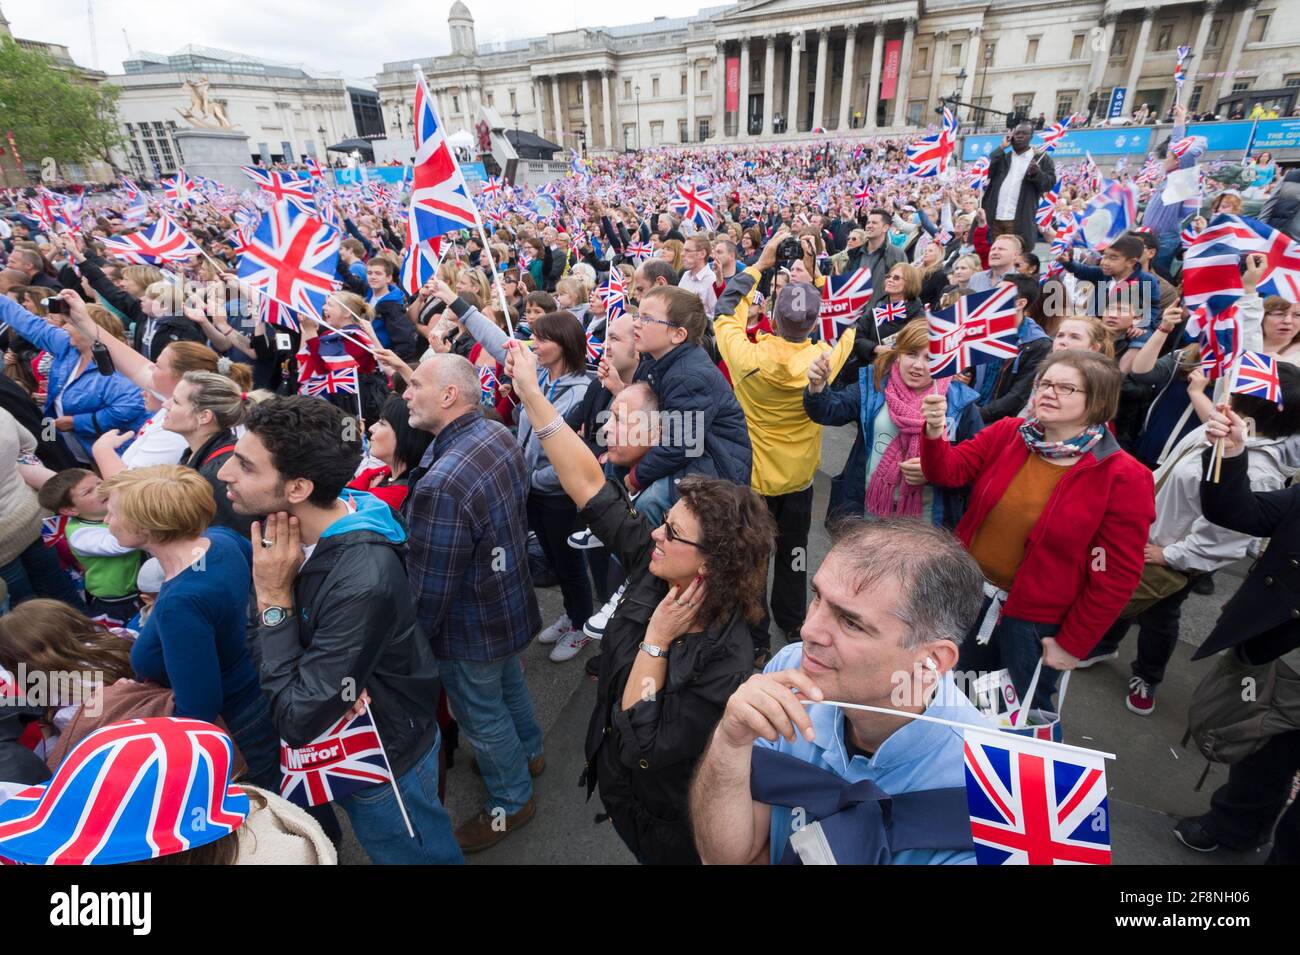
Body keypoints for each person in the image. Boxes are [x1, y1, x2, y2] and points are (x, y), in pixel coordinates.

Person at [504, 336, 775, 864]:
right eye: (663, 524)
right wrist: (533, 396)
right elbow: (586, 482)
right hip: (619, 796)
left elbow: (642, 747)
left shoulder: (730, 659)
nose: (655, 535)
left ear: (713, 562)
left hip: (668, 828)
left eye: (672, 533)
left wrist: (655, 640)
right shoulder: (657, 572)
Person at [215, 396, 461, 865]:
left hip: (384, 761)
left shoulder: (361, 578)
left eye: (246, 466)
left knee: (413, 854)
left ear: (298, 487)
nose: (225, 473)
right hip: (350, 749)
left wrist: (273, 601)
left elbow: (296, 716)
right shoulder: (296, 524)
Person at [690, 519, 989, 865]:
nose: (807, 630)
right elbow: (725, 856)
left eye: (850, 622)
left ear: (931, 661)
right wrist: (729, 744)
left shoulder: (986, 789)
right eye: (818, 597)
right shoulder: (791, 672)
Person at [920, 350, 1155, 710]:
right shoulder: (1009, 433)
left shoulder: (1125, 476)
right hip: (967, 596)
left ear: (1098, 400)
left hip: (1035, 626)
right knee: (948, 695)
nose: (1049, 392)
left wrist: (1073, 643)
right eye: (1045, 383)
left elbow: (1117, 575)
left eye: (1065, 387)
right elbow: (947, 472)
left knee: (1014, 719)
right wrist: (935, 434)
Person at [1087, 365, 1300, 714]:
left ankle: (1147, 676)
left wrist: (1172, 555)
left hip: (1171, 556)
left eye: (1240, 386)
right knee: (1122, 596)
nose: (1229, 388)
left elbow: (1227, 536)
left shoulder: (1258, 471)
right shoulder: (1221, 427)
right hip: (1144, 534)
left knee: (1159, 618)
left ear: (1254, 404)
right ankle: (1104, 644)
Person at [400, 353, 545, 852]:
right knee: (507, 686)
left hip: (468, 627)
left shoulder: (441, 483)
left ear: (448, 395)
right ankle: (530, 753)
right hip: (506, 604)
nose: (405, 393)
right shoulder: (498, 434)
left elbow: (430, 589)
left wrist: (413, 644)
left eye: (415, 384)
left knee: (482, 717)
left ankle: (512, 800)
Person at [713, 230, 857, 664]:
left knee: (753, 556)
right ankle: (793, 620)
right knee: (794, 551)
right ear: (813, 324)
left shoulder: (746, 355)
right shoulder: (827, 358)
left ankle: (756, 637)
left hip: (753, 477)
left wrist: (759, 264)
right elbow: (848, 321)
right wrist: (815, 277)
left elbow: (724, 312)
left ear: (773, 317)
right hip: (798, 479)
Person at [436, 279, 596, 659]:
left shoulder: (582, 392)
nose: (532, 346)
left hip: (557, 495)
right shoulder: (537, 374)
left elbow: (570, 455)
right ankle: (572, 617)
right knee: (546, 557)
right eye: (533, 340)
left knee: (569, 562)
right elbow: (498, 341)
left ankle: (580, 624)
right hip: (530, 490)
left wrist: (531, 478)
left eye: (541, 340)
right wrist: (456, 302)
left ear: (564, 345)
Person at [98, 464, 280, 788]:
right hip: (260, 693)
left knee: (276, 817)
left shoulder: (179, 604)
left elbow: (199, 709)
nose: (106, 520)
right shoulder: (220, 540)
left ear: (146, 526)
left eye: (112, 513)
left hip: (238, 726)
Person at [1172, 403, 1300, 862]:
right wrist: (1230, 454)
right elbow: (1235, 510)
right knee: (1260, 747)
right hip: (1280, 656)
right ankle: (1235, 828)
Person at [806, 318, 984, 527]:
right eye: (911, 354)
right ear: (898, 353)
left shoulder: (959, 405)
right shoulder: (876, 383)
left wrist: (936, 470)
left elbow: (974, 469)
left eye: (929, 358)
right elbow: (829, 411)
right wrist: (817, 387)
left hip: (924, 528)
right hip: (866, 516)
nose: (918, 365)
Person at [626, 285, 753, 495]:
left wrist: (637, 476)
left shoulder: (688, 376)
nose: (636, 324)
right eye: (637, 316)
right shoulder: (660, 361)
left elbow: (680, 444)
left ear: (678, 335)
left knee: (652, 499)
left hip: (718, 469)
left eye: (646, 319)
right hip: (697, 453)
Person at [0, 290, 148, 464]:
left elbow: (131, 406)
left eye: (69, 323)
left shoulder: (117, 364)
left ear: (88, 328)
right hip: (69, 442)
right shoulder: (67, 346)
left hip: (116, 453)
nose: (63, 328)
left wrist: (76, 422)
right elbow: (32, 326)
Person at [0, 407, 86, 609]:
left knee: (26, 609)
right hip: (31, 515)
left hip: (3, 540)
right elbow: (30, 443)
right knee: (60, 588)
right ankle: (90, 634)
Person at [36, 468, 143, 625]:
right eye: (88, 492)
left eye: (99, 482)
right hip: (118, 601)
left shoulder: (113, 510)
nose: (100, 489)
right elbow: (122, 544)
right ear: (70, 509)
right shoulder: (80, 534)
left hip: (138, 588)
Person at [165, 371, 258, 536]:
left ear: (204, 416)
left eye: (176, 402)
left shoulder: (220, 474)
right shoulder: (197, 454)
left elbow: (233, 541)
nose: (165, 405)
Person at [973, 274, 1054, 423]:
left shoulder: (1039, 343)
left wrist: (977, 416)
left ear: (1020, 303)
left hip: (999, 423)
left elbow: (1018, 395)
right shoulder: (982, 328)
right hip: (971, 410)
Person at [1142, 105, 1206, 279]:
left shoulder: (1183, 179)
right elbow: (1177, 147)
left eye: (1169, 157)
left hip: (1163, 240)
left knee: (1156, 276)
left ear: (1178, 162)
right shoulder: (1171, 177)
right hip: (1150, 235)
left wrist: (1182, 126)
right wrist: (1178, 121)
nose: (1165, 160)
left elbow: (1186, 152)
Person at [346, 394, 432, 511]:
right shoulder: (384, 473)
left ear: (404, 436)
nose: (371, 428)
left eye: (382, 423)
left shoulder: (389, 498)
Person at [981, 122, 1056, 254]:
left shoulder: (1041, 159)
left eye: (1024, 133)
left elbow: (1049, 184)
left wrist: (1037, 173)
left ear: (1031, 136)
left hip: (1019, 219)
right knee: (992, 254)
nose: (1019, 136)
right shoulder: (1004, 157)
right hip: (995, 217)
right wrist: (1002, 147)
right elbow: (987, 170)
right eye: (1017, 133)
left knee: (1014, 256)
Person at [678, 234, 718, 319]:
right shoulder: (685, 275)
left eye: (687, 251)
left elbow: (715, 316)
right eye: (683, 250)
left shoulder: (711, 280)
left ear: (702, 254)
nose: (682, 254)